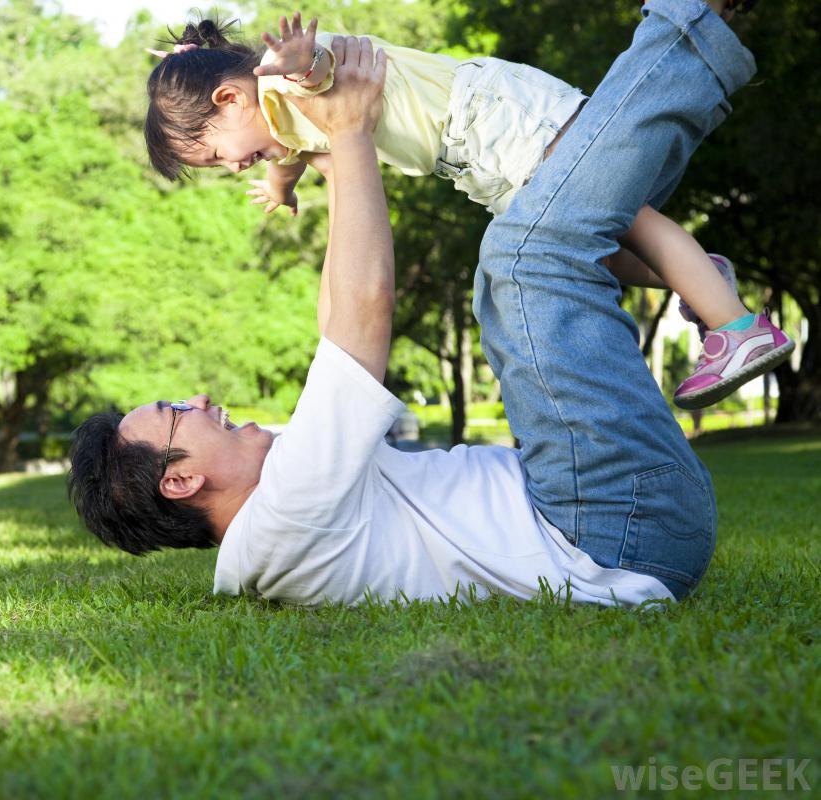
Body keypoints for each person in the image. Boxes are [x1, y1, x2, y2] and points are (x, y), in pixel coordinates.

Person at [70, 0, 771, 606]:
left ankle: (691, 265)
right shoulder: (282, 514)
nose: (196, 399)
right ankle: (691, 25)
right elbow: (360, 320)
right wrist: (349, 134)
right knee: (522, 256)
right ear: (182, 478)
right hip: (611, 528)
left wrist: (338, 153)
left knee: (516, 262)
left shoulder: (282, 514)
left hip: (608, 513)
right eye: (176, 415)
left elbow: (333, 331)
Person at [142, 4, 793, 409]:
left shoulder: (282, 83)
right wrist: (281, 186)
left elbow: (324, 73)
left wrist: (299, 63)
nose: (229, 168)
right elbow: (288, 150)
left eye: (214, 154)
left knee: (617, 218)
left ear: (230, 98)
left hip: (489, 120)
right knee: (584, 246)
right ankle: (703, 276)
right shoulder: (281, 127)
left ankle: (735, 328)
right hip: (475, 158)